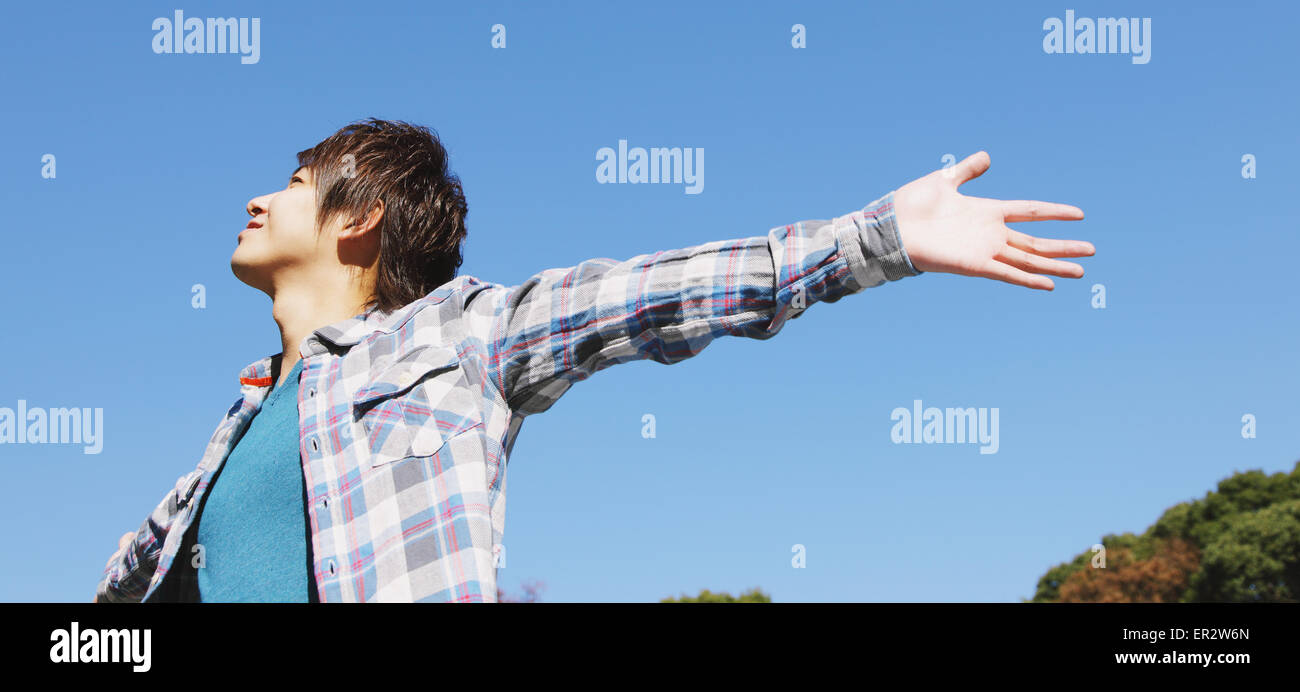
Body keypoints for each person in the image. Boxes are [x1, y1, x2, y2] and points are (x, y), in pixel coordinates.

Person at [94, 118, 1093, 602]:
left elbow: (649, 294)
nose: (260, 198)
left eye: (296, 181)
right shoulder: (236, 429)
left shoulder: (458, 336)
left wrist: (875, 238)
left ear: (358, 219)